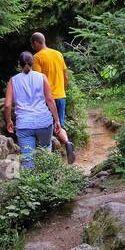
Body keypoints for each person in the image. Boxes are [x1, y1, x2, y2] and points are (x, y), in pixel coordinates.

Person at [4, 51, 62, 169]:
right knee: (46, 150)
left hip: (24, 124)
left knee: (27, 157)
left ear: (19, 64)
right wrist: (57, 120)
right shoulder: (42, 77)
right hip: (44, 122)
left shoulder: (13, 80)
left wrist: (9, 121)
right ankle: (48, 182)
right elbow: (50, 100)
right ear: (33, 63)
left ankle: (30, 185)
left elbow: (7, 105)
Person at [30, 32, 76, 163]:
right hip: (61, 95)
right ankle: (67, 143)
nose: (33, 47)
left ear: (36, 43)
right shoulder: (58, 54)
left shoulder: (37, 57)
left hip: (47, 98)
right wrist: (62, 89)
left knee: (45, 125)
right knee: (58, 125)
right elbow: (65, 75)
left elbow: (38, 80)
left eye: (33, 45)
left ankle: (47, 158)